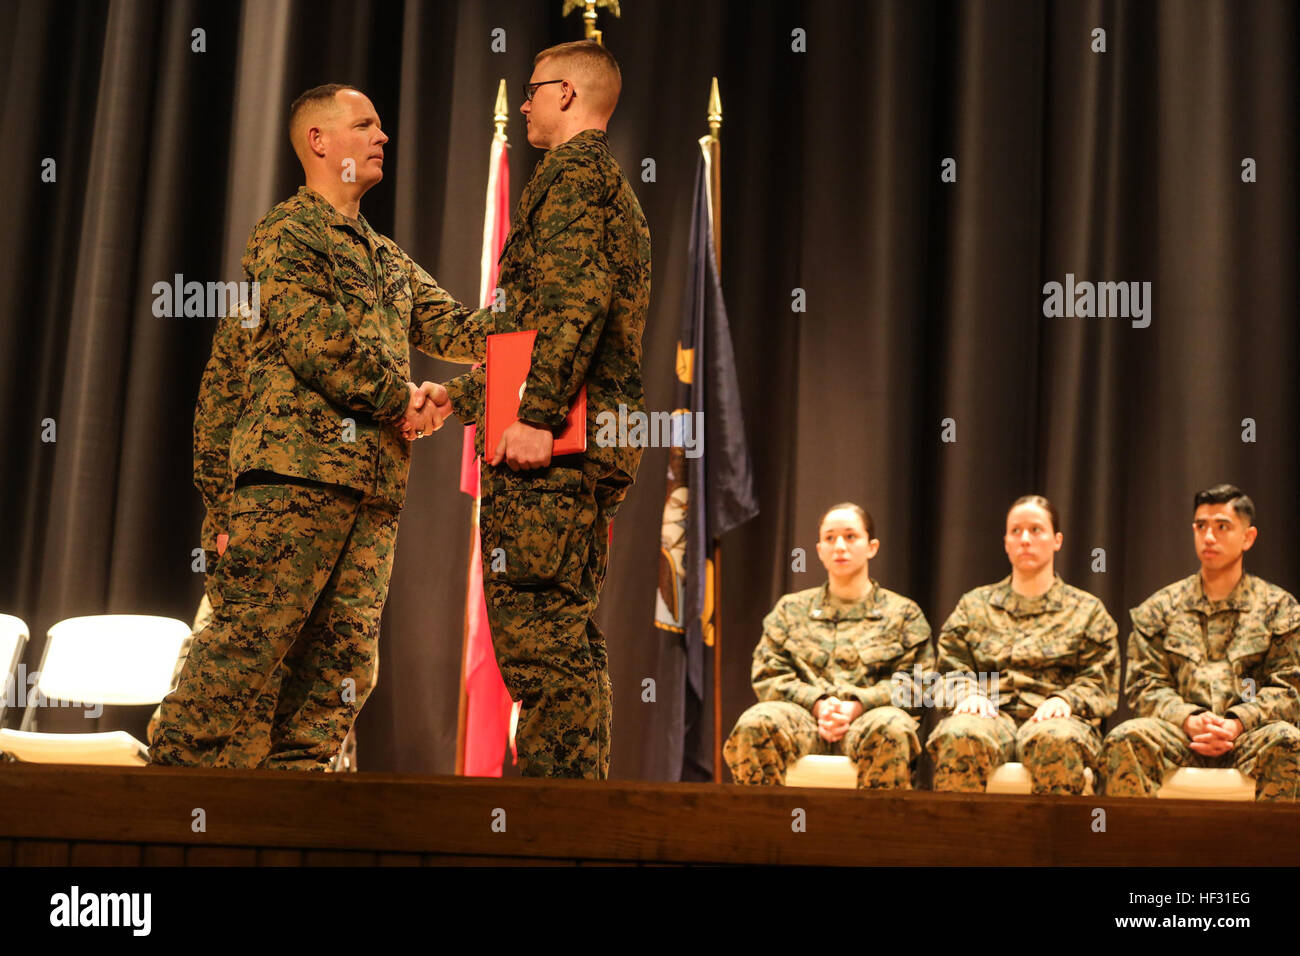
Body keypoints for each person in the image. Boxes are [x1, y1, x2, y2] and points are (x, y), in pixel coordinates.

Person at [151, 84, 484, 770]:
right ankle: (158, 813)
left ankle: (293, 817)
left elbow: (456, 327)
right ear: (319, 142)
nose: (382, 137)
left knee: (343, 673)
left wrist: (542, 313)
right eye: (365, 125)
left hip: (371, 495)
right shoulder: (288, 233)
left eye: (381, 127)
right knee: (241, 658)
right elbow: (315, 342)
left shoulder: (385, 257)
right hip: (292, 484)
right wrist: (402, 400)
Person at [441, 41, 652, 778]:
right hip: (589, 437)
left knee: (539, 644)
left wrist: (535, 418)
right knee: (564, 635)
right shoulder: (605, 187)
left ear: (565, 94)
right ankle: (575, 813)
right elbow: (532, 328)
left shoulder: (572, 181)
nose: (523, 104)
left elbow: (574, 307)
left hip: (558, 446)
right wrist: (458, 398)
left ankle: (552, 823)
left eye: (532, 91)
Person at [1102, 485, 1300, 801]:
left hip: (1250, 734)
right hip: (1182, 734)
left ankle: (1272, 850)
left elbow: (1289, 687)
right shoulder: (1160, 607)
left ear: (1248, 537)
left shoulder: (1280, 608)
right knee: (1126, 738)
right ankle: (1133, 850)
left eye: (1222, 527)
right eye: (1201, 526)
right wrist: (1189, 719)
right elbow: (1144, 685)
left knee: (1289, 740)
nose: (1209, 537)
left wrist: (1238, 722)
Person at [723, 503, 932, 788]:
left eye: (850, 536)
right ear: (819, 550)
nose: (840, 546)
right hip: (804, 719)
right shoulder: (790, 609)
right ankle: (767, 829)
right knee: (755, 723)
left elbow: (917, 684)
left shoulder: (904, 613)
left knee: (893, 728)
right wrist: (819, 705)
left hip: (870, 719)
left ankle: (877, 831)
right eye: (830, 538)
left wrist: (857, 706)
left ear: (872, 547)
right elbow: (768, 674)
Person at [927, 495, 1119, 794]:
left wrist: (1065, 699)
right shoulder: (974, 606)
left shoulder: (1087, 610)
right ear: (1005, 542)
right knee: (960, 732)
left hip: (1055, 717)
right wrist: (968, 693)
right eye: (1016, 531)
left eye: (1036, 530)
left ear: (1057, 540)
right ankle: (961, 839)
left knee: (1057, 739)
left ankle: (1055, 841)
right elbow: (949, 668)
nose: (1025, 539)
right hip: (990, 715)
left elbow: (1100, 678)